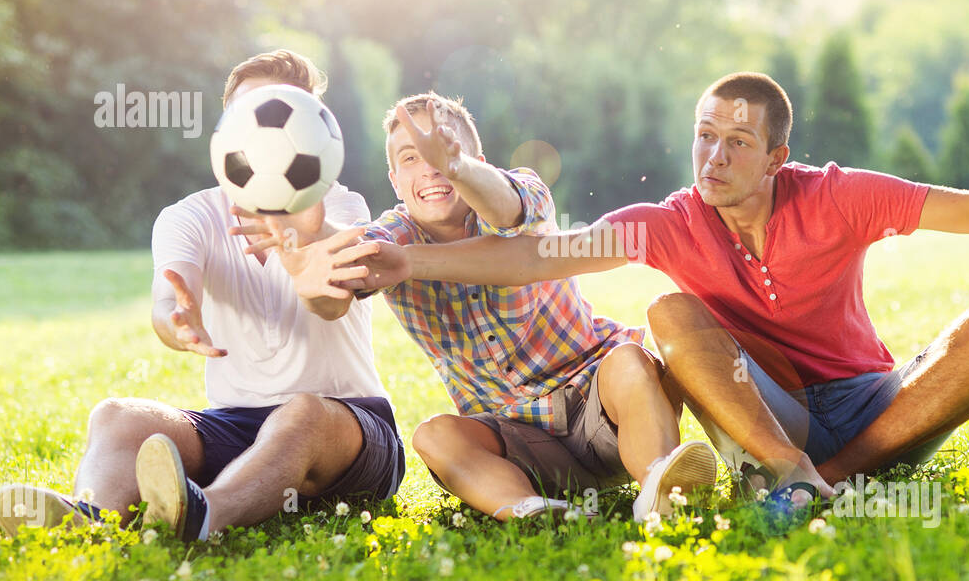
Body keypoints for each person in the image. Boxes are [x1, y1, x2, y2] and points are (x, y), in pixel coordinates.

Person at [340, 72, 969, 506]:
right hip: (770, 408)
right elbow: (533, 256)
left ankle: (816, 483)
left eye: (736, 142)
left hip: (875, 397)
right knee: (668, 311)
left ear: (776, 157)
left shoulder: (837, 195)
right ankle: (795, 474)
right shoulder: (670, 219)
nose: (713, 157)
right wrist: (408, 262)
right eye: (703, 136)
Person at [236, 93, 718, 522]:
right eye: (411, 159)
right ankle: (536, 512)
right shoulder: (393, 235)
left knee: (630, 362)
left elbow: (507, 211)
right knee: (434, 435)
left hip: (603, 405)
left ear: (478, 160)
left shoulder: (520, 190)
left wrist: (457, 167)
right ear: (395, 180)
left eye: (441, 152)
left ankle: (660, 488)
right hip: (518, 440)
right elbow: (335, 289)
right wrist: (301, 249)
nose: (429, 169)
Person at [0, 50, 404, 540]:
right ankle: (93, 519)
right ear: (225, 130)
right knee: (117, 416)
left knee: (303, 412)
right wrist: (178, 320)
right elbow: (166, 302)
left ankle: (206, 514)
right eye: (249, 115)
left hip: (349, 426)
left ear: (313, 129)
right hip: (234, 428)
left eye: (279, 114)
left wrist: (306, 244)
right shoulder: (188, 216)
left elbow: (333, 299)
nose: (261, 133)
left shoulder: (338, 206)